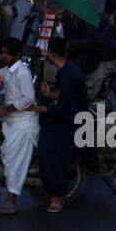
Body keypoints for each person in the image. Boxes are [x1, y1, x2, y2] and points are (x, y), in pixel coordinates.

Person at [37, 37, 88, 213]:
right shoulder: (67, 70)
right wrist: (50, 94)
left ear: (50, 53)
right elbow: (66, 96)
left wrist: (36, 108)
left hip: (69, 120)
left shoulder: (68, 74)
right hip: (70, 115)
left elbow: (63, 108)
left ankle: (57, 196)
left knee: (50, 152)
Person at [0, 39, 43, 214]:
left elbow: (27, 99)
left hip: (23, 123)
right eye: (2, 52)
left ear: (17, 55)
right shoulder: (9, 70)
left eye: (7, 53)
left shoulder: (22, 72)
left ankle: (11, 200)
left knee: (15, 162)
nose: (3, 56)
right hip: (11, 121)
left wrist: (7, 108)